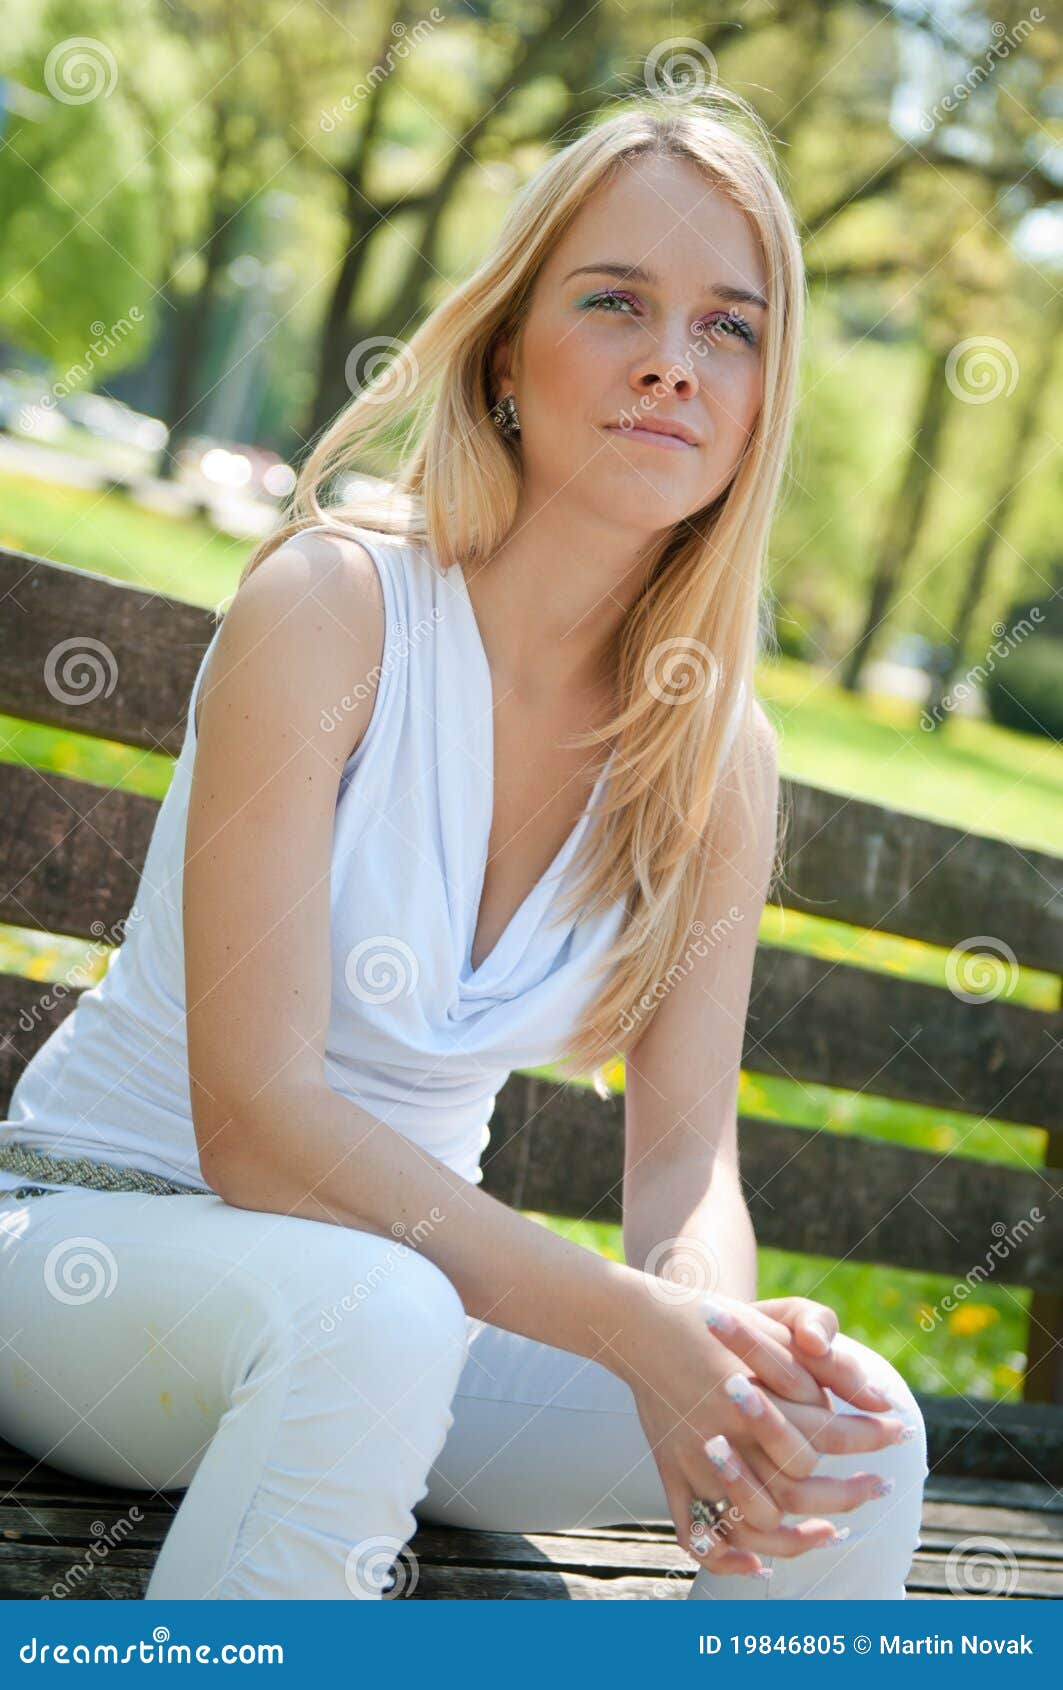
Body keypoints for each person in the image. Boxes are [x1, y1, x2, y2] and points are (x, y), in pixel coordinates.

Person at [0, 90, 928, 1601]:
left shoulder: (715, 746)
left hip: (399, 1316)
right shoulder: (335, 609)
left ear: (764, 393)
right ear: (506, 352)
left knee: (851, 1430)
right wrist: (630, 1329)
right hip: (99, 1253)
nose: (667, 362)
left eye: (728, 327)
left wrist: (721, 1354)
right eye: (616, 300)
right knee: (375, 1315)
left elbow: (686, 1158)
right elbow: (255, 1121)